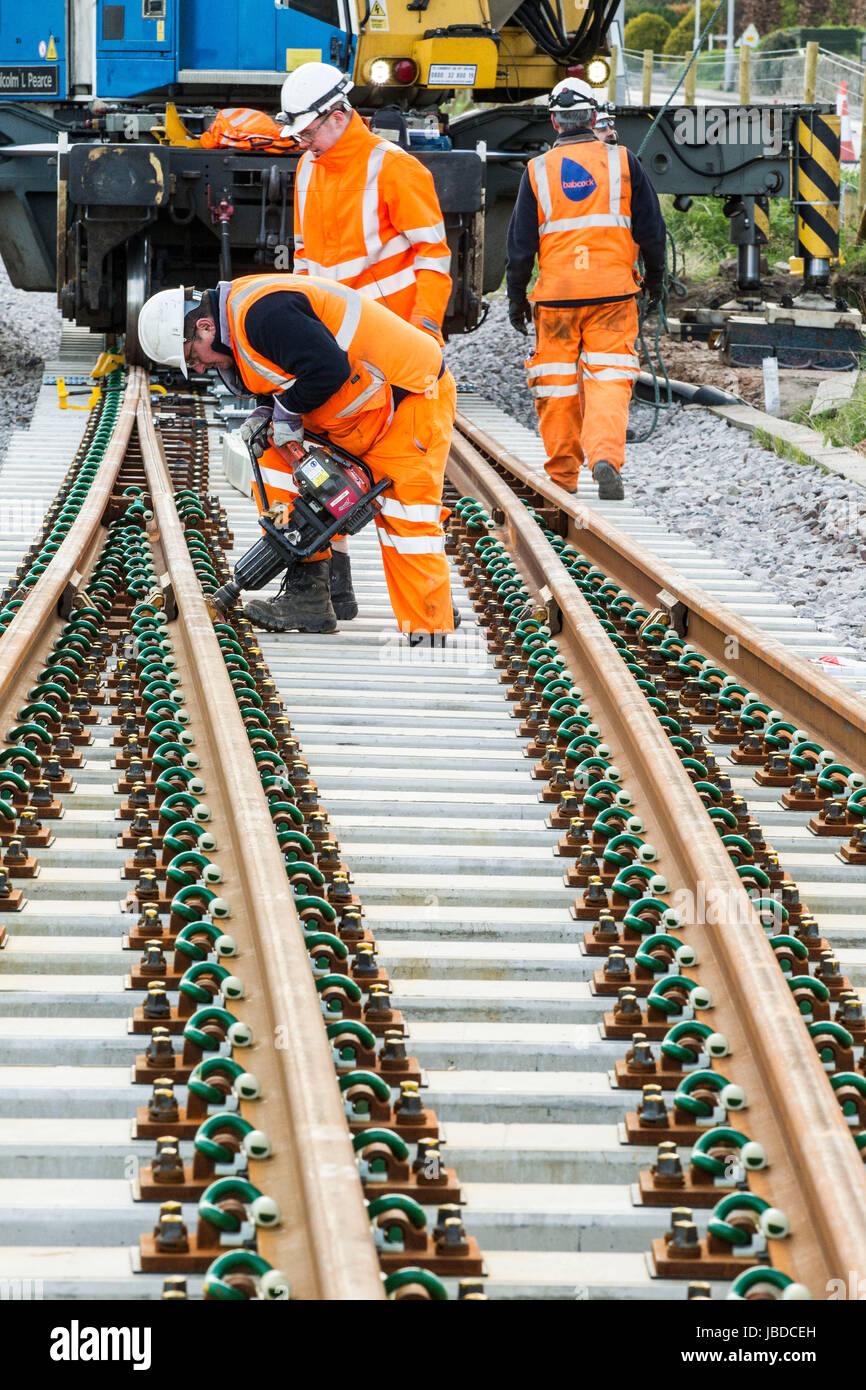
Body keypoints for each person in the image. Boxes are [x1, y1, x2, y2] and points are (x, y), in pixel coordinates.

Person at [137, 276, 455, 643]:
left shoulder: (260, 314)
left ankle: (429, 626)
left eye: (194, 357)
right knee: (272, 454)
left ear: (206, 328)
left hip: (407, 402)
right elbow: (286, 369)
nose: (200, 368)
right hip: (356, 411)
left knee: (407, 522)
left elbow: (327, 368)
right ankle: (309, 593)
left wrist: (285, 411)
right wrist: (266, 411)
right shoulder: (241, 321)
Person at [263, 61, 453, 626]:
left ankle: (427, 618)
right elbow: (306, 266)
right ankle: (324, 588)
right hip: (333, 358)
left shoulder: (394, 169)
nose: (302, 141)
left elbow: (434, 260)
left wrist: (425, 332)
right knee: (296, 459)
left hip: (389, 356)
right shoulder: (308, 168)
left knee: (400, 490)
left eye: (307, 130)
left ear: (340, 114)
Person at [505, 77, 666, 500]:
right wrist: (656, 280)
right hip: (614, 294)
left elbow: (520, 246)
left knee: (555, 385)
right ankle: (605, 459)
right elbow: (652, 230)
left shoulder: (536, 171)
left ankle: (562, 478)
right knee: (610, 379)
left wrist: (515, 298)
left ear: (554, 123)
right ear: (594, 117)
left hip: (557, 298)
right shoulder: (623, 161)